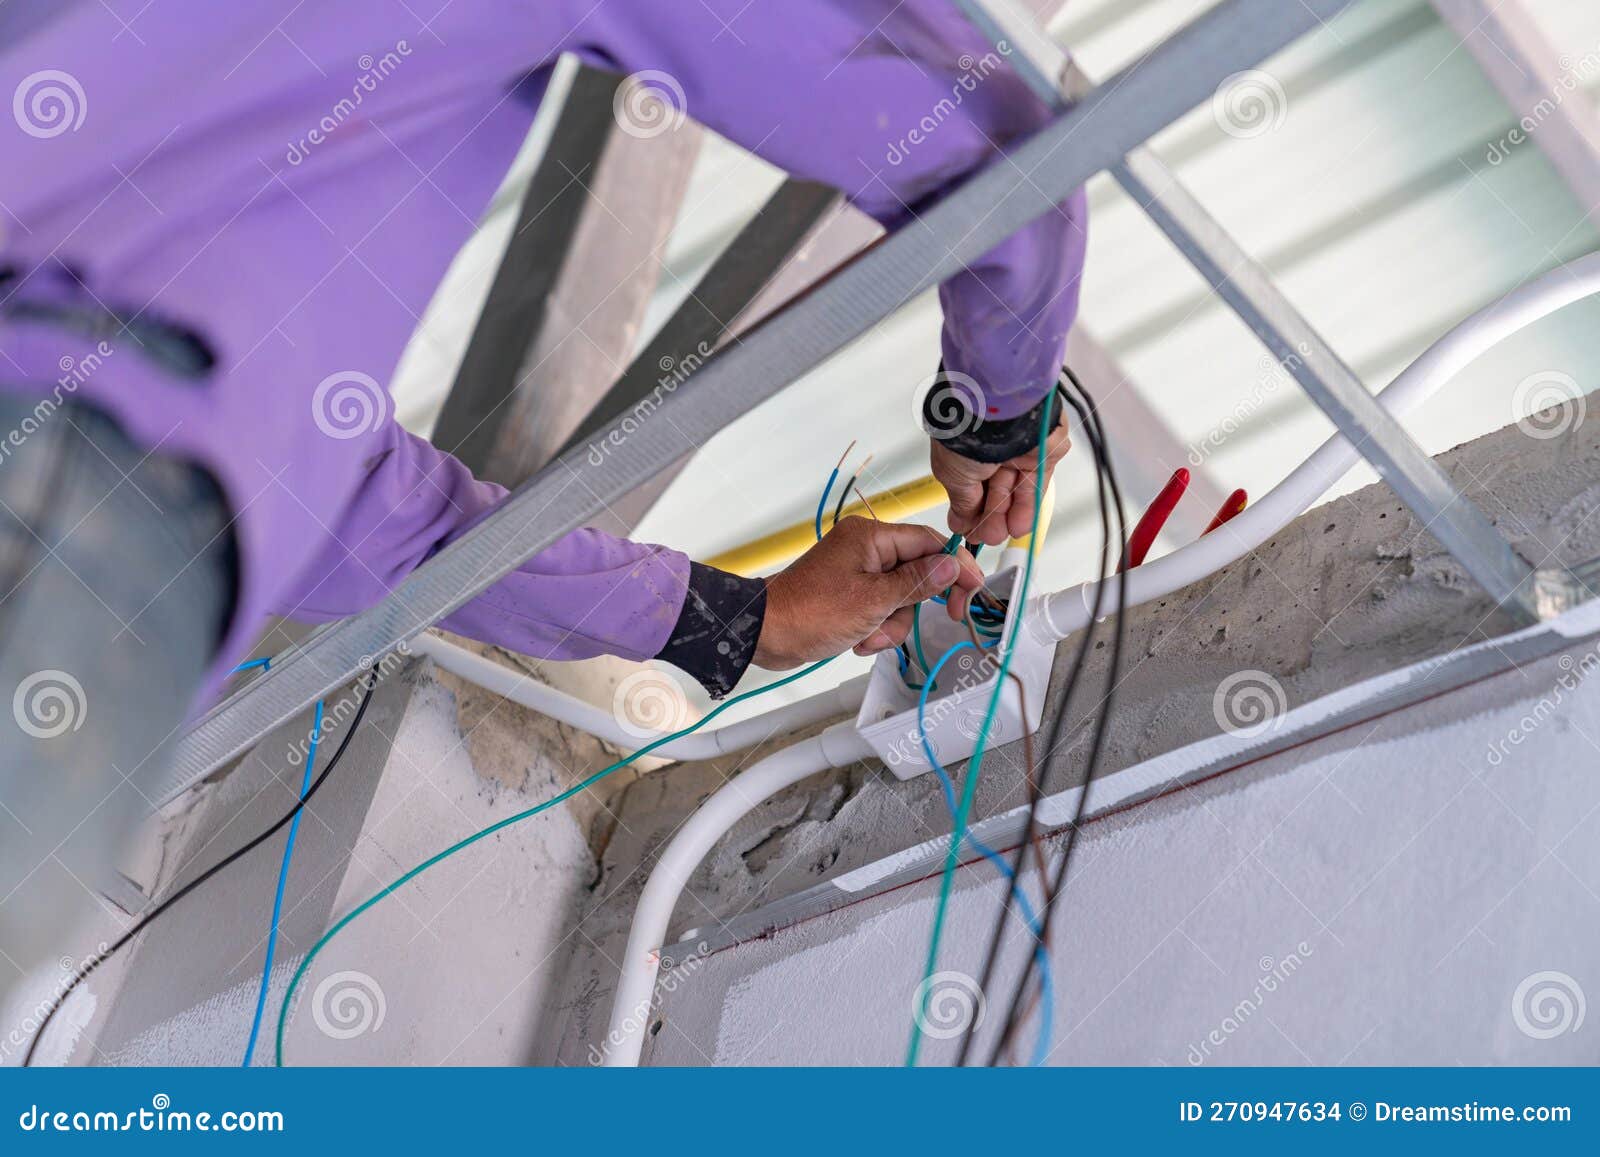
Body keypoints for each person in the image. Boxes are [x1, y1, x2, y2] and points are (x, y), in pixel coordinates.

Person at [0, 2, 1082, 984]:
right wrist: (995, 409)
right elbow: (998, 155)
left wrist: (734, 617)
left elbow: (370, 511)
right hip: (83, 462)